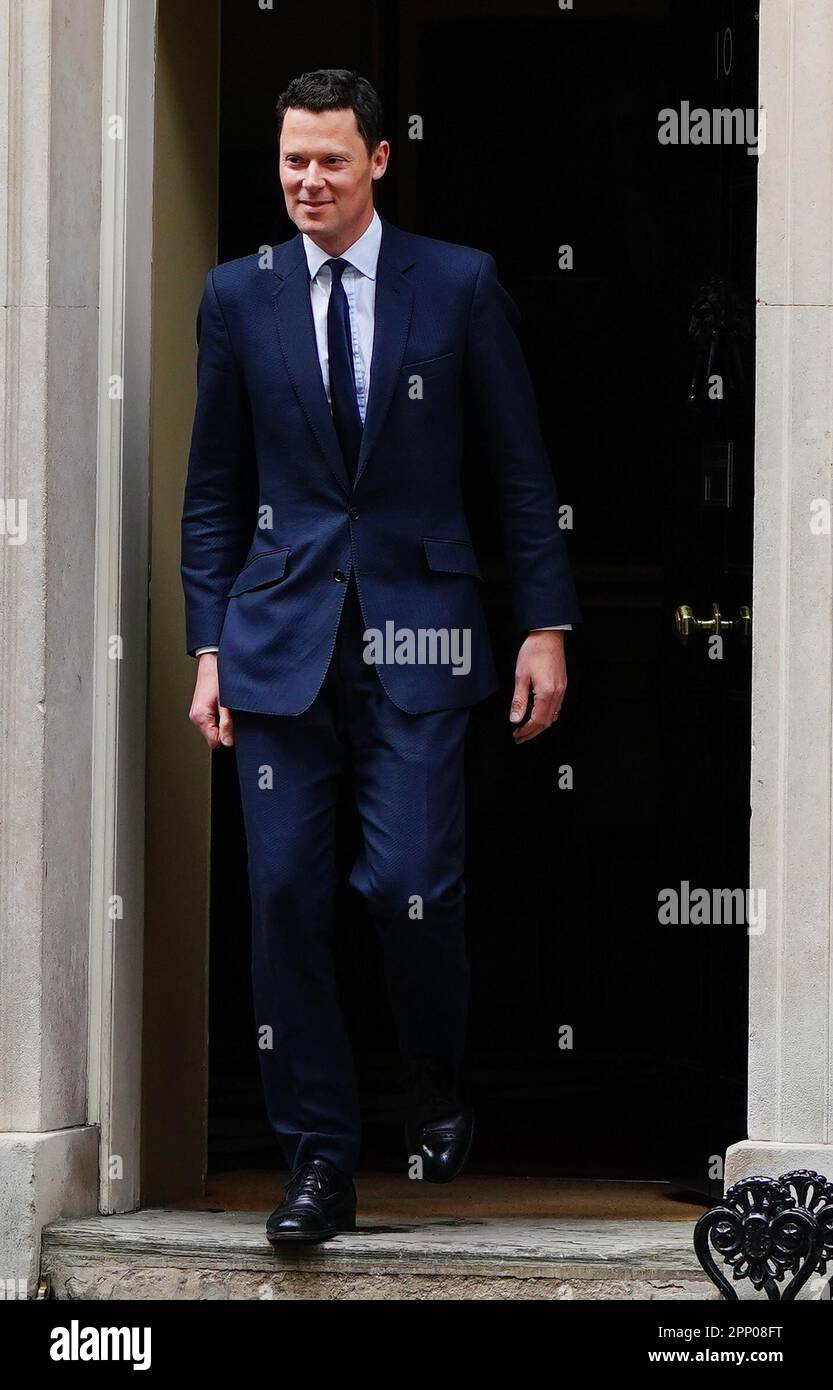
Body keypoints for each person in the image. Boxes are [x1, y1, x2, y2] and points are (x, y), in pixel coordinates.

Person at [181, 68, 580, 1244]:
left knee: (412, 888)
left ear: (379, 162)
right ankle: (318, 1163)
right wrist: (208, 643)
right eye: (292, 160)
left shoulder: (454, 285)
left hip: (424, 635)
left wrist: (543, 623)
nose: (307, 180)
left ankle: (433, 1073)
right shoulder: (236, 297)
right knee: (287, 897)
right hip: (276, 643)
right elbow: (213, 496)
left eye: (330, 161)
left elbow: (518, 473)